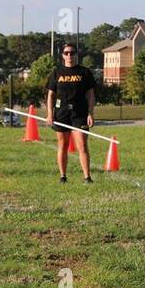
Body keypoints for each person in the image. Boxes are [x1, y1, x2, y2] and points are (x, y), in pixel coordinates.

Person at [46, 42, 96, 184]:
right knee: (63, 144)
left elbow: (91, 95)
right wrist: (50, 114)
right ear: (62, 55)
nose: (69, 55)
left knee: (82, 145)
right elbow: (50, 95)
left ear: (76, 55)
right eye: (66, 53)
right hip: (61, 113)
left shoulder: (84, 72)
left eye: (72, 53)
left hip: (79, 114)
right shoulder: (56, 73)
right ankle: (63, 176)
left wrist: (90, 113)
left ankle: (87, 177)